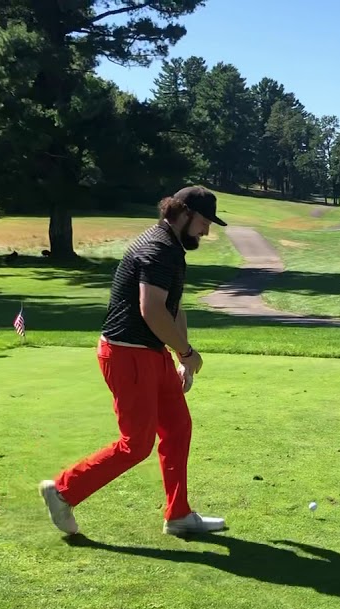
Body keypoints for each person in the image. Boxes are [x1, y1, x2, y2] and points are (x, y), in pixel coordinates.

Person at [39, 185, 227, 537]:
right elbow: (151, 309)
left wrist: (179, 351)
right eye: (203, 221)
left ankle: (179, 514)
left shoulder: (169, 246)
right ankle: (63, 490)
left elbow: (172, 306)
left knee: (177, 428)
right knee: (136, 445)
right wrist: (187, 353)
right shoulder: (158, 249)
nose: (206, 231)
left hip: (150, 351)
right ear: (184, 213)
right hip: (128, 353)